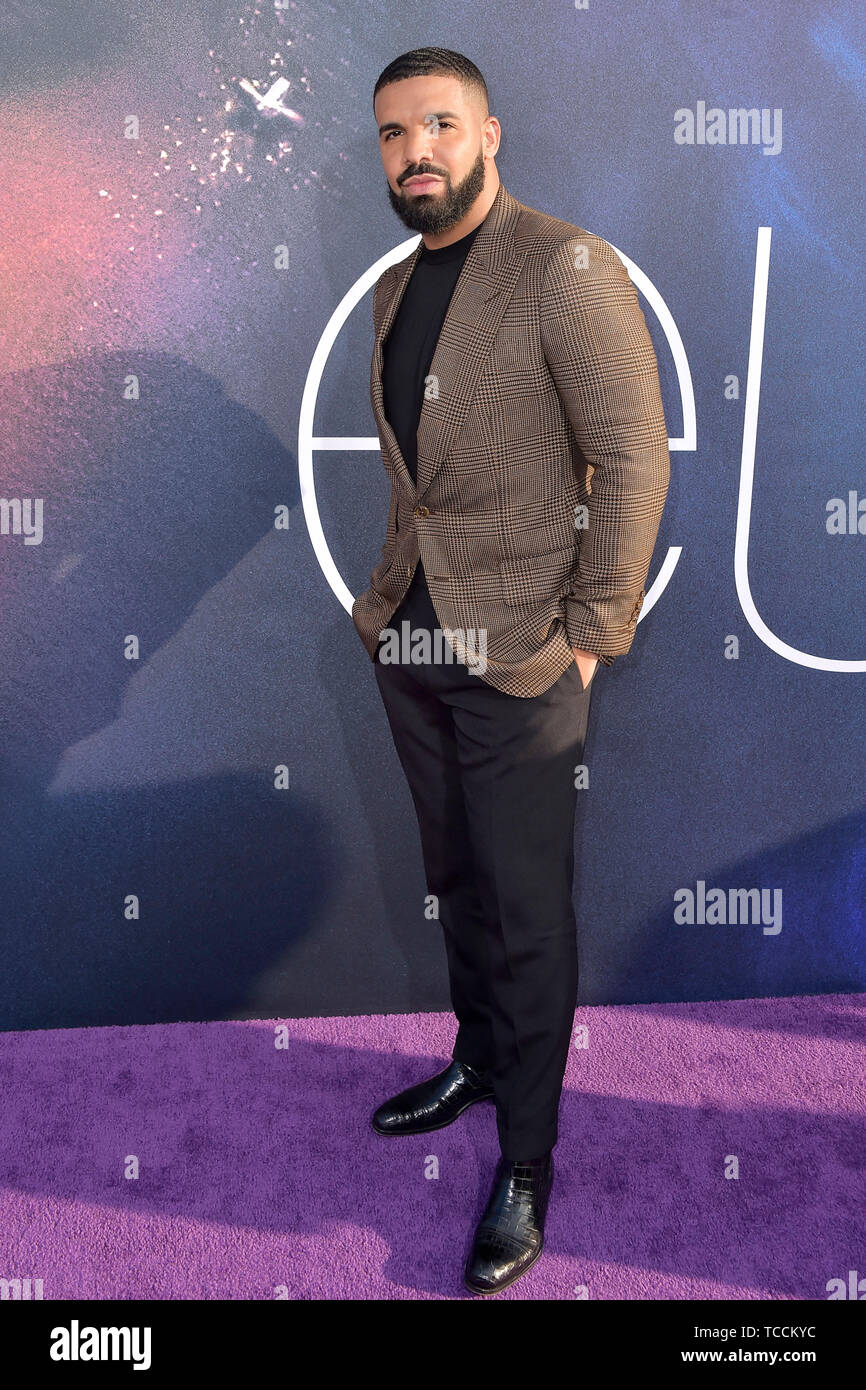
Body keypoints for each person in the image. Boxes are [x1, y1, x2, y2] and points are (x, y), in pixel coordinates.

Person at [352, 46, 670, 1296]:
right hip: (413, 642)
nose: (414, 151)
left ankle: (525, 1162)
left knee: (528, 913)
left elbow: (630, 458)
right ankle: (479, 1057)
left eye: (438, 125)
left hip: (525, 654)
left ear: (489, 134)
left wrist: (588, 639)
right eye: (393, 134)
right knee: (458, 881)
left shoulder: (564, 267)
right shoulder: (392, 290)